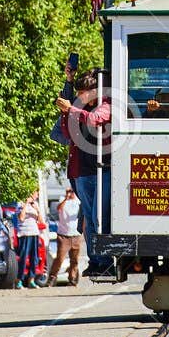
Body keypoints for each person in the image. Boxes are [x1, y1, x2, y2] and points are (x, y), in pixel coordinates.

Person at [57, 71, 112, 277]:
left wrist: (71, 109)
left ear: (95, 92)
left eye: (83, 93)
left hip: (103, 169)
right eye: (78, 93)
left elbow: (94, 120)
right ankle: (95, 260)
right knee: (89, 218)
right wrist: (67, 112)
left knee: (101, 217)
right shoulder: (78, 107)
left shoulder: (106, 105)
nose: (80, 97)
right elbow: (67, 132)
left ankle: (106, 260)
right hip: (83, 171)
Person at [47, 186, 82, 286]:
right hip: (64, 235)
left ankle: (72, 279)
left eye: (72, 191)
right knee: (60, 258)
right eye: (68, 191)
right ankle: (52, 277)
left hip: (75, 234)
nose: (70, 193)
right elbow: (59, 208)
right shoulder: (63, 200)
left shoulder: (78, 201)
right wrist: (66, 198)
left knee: (74, 260)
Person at [15, 191, 41, 289]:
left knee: (34, 258)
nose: (37, 196)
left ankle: (31, 279)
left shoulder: (36, 205)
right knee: (23, 257)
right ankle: (19, 280)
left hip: (34, 233)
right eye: (36, 193)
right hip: (24, 233)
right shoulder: (20, 204)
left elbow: (41, 220)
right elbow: (21, 218)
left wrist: (37, 210)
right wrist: (26, 204)